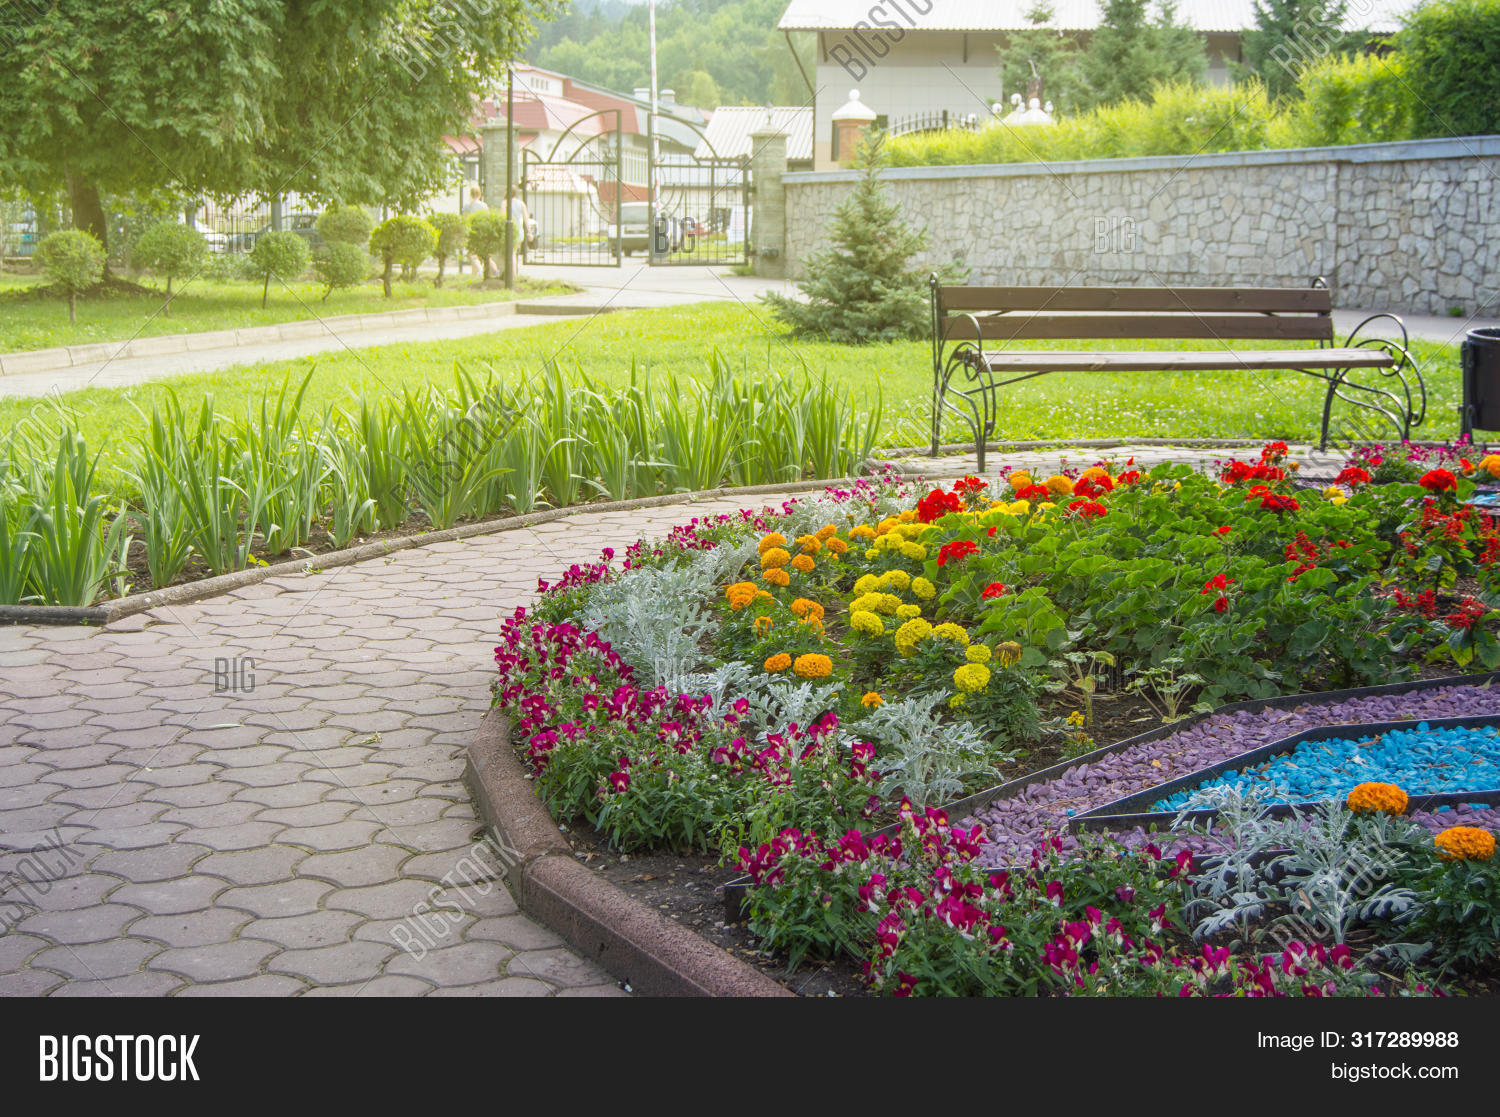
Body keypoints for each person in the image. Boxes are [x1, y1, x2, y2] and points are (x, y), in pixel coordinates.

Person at [461, 185, 491, 276]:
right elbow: (487, 219)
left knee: (472, 253)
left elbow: (464, 220)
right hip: (482, 231)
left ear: (471, 194)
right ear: (479, 194)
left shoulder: (467, 206)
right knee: (478, 254)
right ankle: (475, 274)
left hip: (471, 231)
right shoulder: (484, 206)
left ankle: (480, 270)